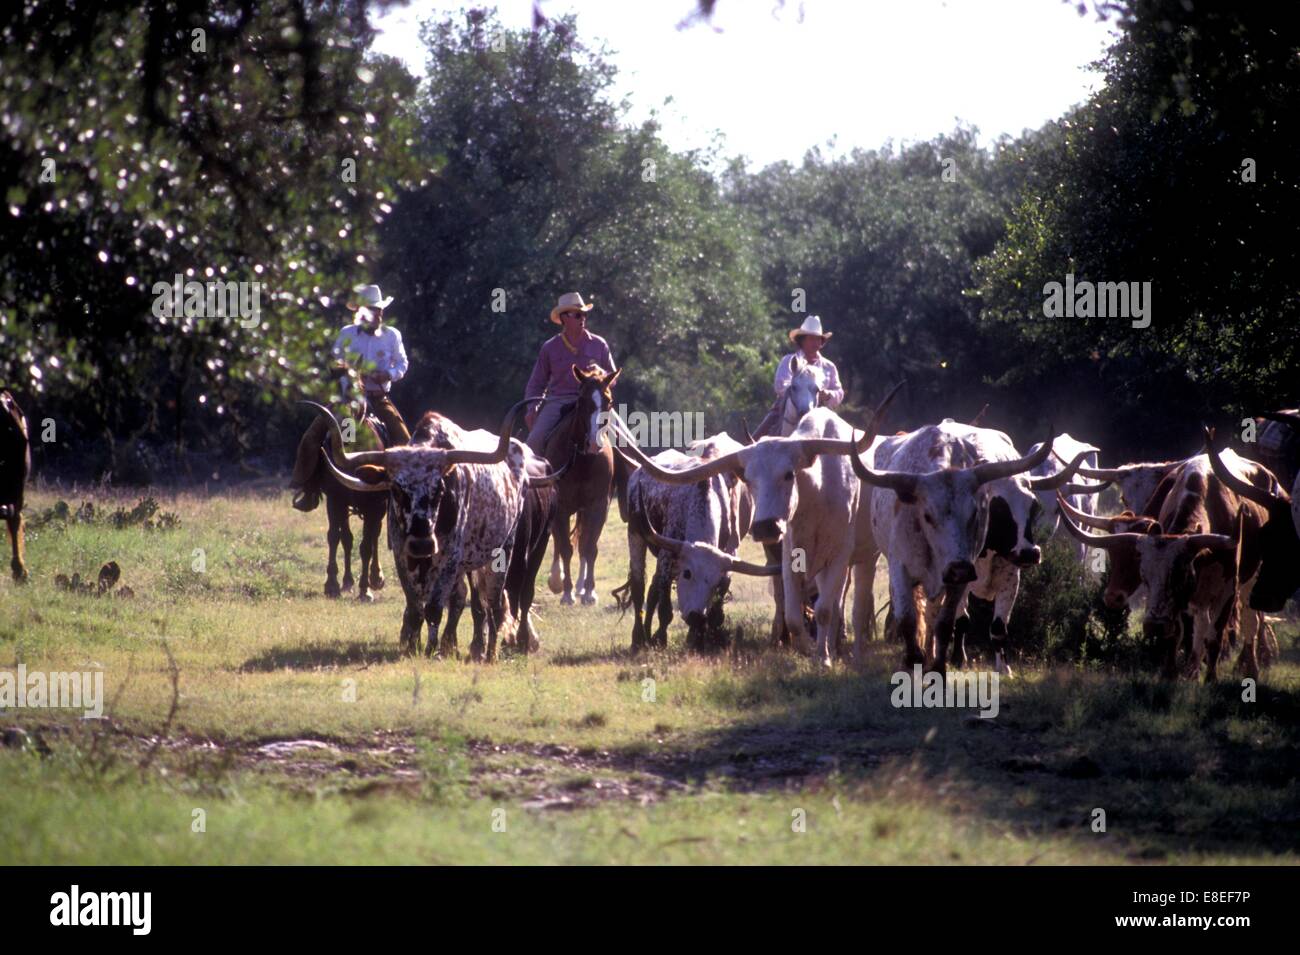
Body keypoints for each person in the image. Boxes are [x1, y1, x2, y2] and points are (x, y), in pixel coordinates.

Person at [289, 284, 410, 511]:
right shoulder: (346, 334)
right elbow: (333, 362)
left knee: (404, 439)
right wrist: (347, 369)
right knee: (312, 436)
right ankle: (307, 487)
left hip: (378, 396)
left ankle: (403, 492)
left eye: (379, 309)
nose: (378, 314)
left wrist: (388, 374)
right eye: (373, 309)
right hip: (347, 399)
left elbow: (402, 364)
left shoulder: (392, 336)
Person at [523, 292, 617, 453]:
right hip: (559, 401)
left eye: (584, 314)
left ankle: (637, 476)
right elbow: (537, 383)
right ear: (564, 318)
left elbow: (613, 379)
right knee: (533, 442)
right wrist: (532, 408)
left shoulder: (599, 344)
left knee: (627, 441)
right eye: (578, 314)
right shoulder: (549, 347)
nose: (583, 318)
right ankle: (528, 477)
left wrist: (601, 373)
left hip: (594, 402)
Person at [753, 314, 844, 437]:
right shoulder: (789, 360)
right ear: (802, 341)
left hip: (822, 414)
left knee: (840, 434)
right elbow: (780, 385)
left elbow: (839, 392)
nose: (815, 342)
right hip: (785, 410)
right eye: (811, 339)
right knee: (764, 429)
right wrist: (798, 391)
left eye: (818, 339)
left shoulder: (829, 367)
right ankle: (752, 444)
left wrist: (828, 395)